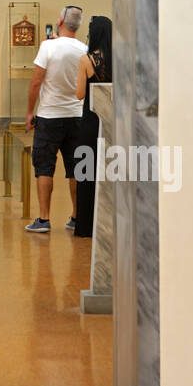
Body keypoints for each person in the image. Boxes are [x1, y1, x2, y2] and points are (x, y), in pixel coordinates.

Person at [24, 5, 88, 233]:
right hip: (76, 116)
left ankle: (43, 219)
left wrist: (30, 112)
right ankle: (76, 216)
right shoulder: (84, 49)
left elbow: (36, 81)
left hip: (50, 116)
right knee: (76, 168)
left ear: (60, 21)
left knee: (44, 167)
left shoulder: (48, 47)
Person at [74, 15, 113, 237]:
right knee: (111, 173)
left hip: (91, 121)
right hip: (111, 122)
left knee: (86, 173)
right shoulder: (119, 59)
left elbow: (79, 94)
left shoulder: (86, 60)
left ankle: (86, 226)